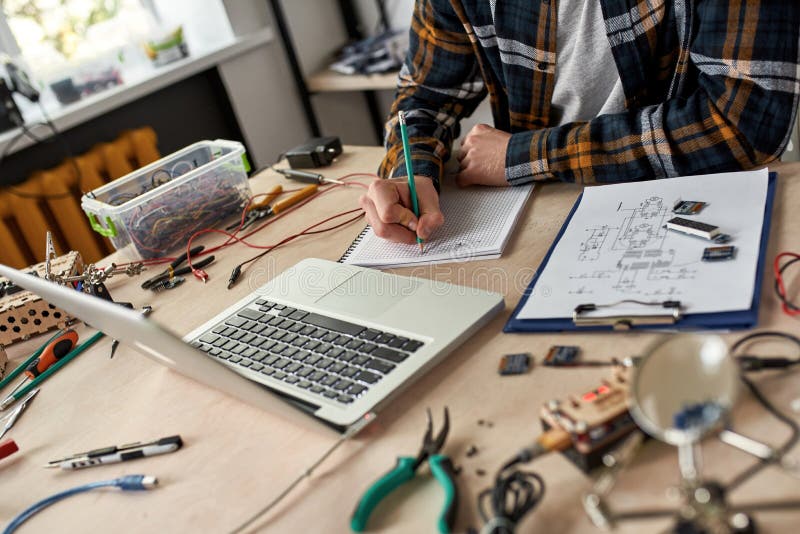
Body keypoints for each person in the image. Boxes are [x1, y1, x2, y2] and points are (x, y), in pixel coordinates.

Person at [360, 0, 800, 245]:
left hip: (698, 203)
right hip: (536, 215)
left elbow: (743, 125)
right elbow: (423, 98)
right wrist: (411, 173)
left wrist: (522, 155)